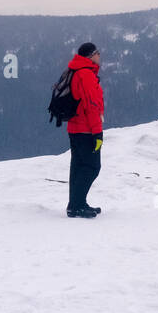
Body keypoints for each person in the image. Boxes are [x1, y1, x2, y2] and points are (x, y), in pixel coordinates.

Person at [65, 42, 105, 218]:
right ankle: (76, 205)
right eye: (97, 53)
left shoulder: (75, 71)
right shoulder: (86, 75)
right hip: (86, 129)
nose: (99, 56)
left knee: (78, 166)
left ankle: (76, 203)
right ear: (90, 56)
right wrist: (97, 132)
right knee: (92, 167)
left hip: (75, 128)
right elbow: (92, 105)